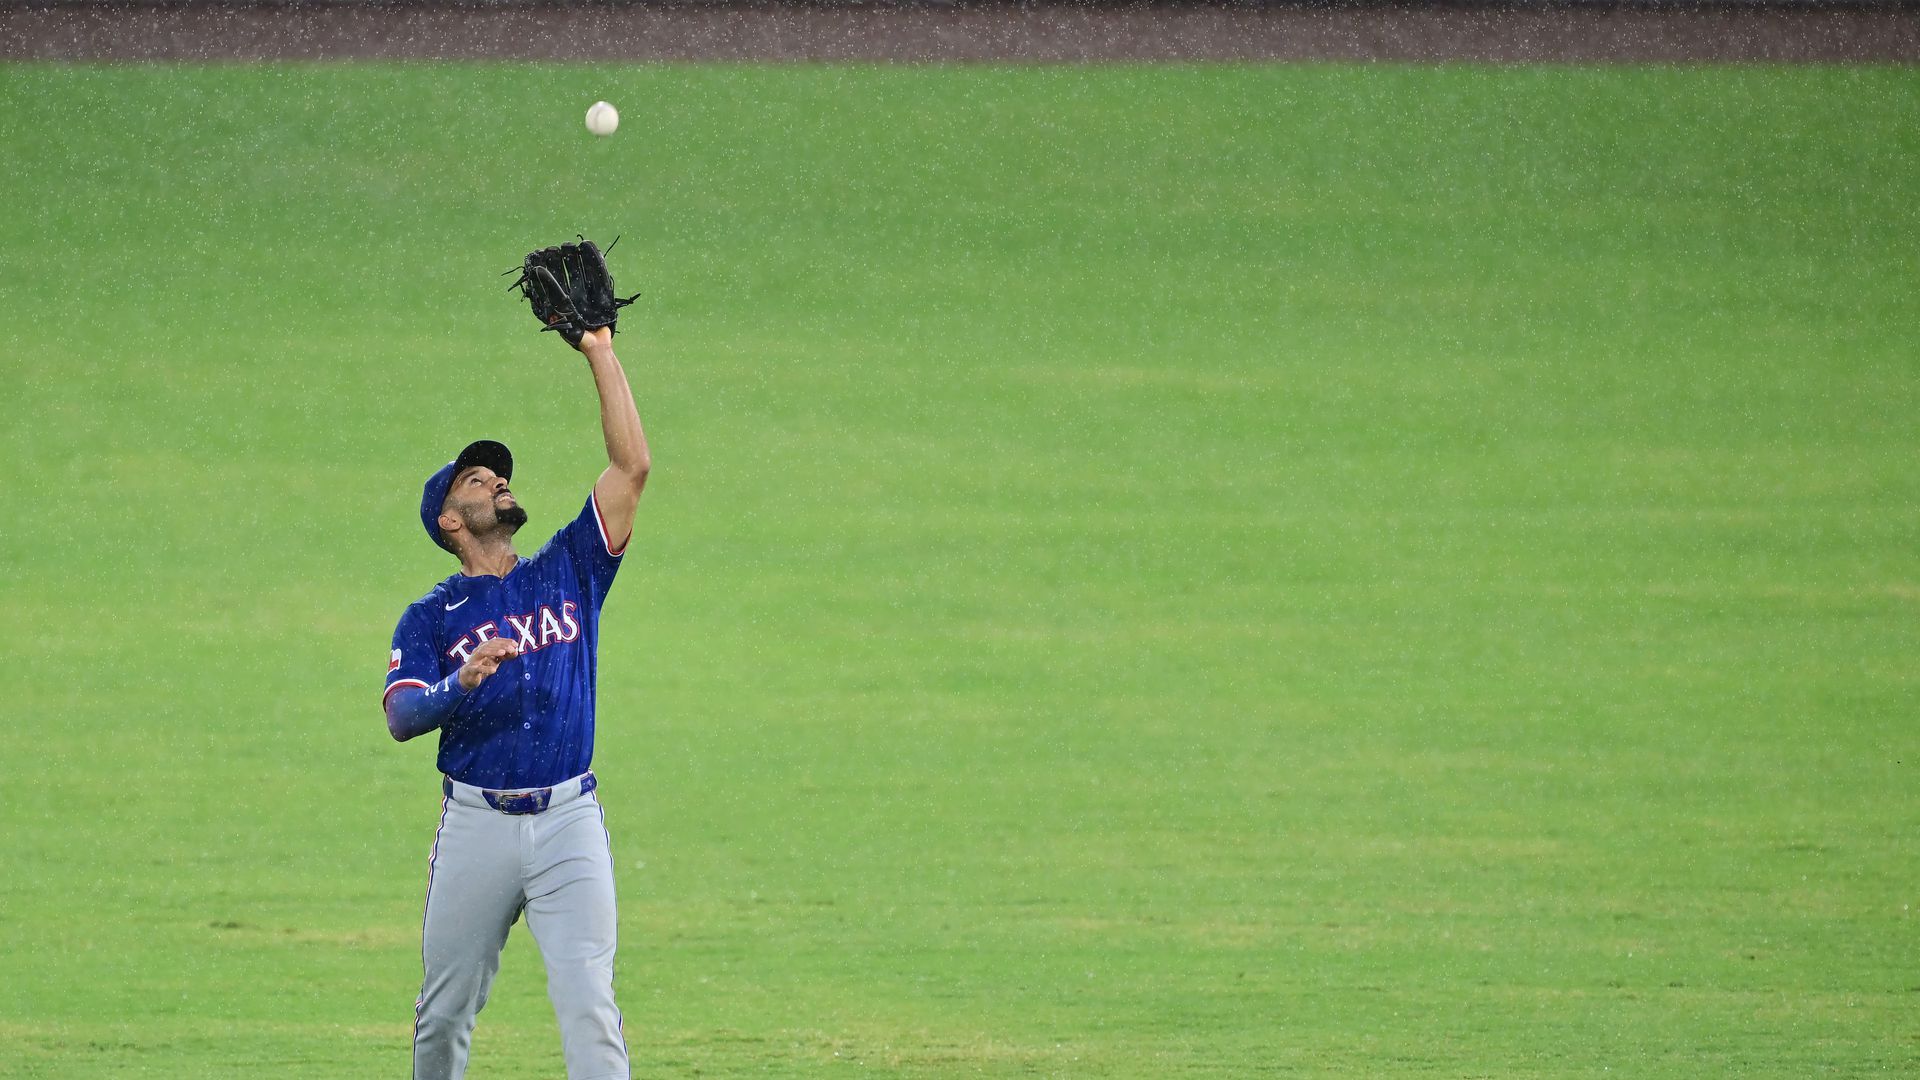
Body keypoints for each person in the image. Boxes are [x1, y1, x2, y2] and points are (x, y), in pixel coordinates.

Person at [381, 325, 647, 1080]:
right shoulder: (432, 617)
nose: (496, 481)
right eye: (475, 481)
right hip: (476, 828)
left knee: (590, 1002)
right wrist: (455, 685)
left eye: (496, 476)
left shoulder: (570, 567)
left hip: (569, 818)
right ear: (449, 521)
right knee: (443, 1017)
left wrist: (599, 350)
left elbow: (633, 467)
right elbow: (401, 715)